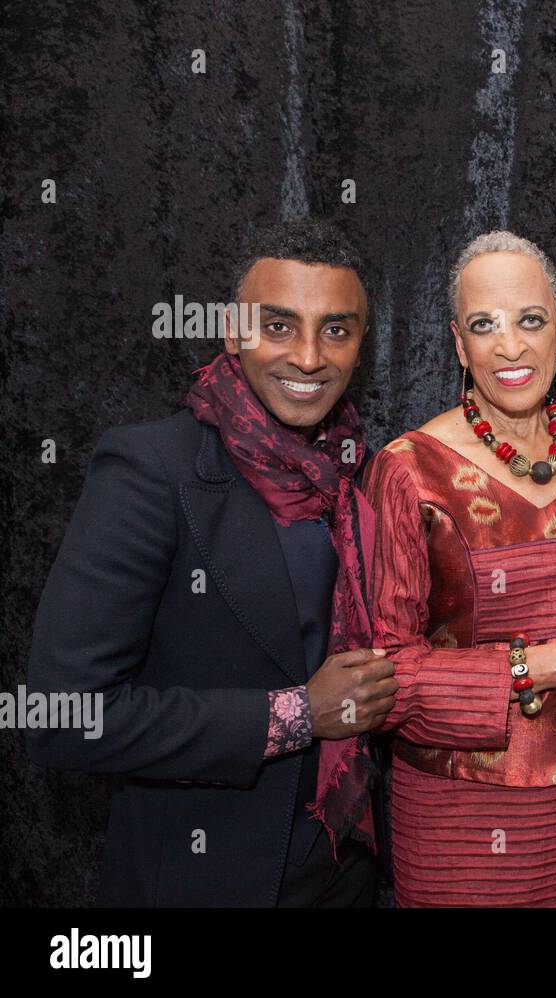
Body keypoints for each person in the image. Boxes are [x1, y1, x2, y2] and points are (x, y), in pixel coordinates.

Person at [24, 218, 396, 906]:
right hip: (208, 880)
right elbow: (63, 717)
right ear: (232, 331)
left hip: (345, 871)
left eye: (336, 331)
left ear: (360, 344)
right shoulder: (151, 470)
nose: (310, 357)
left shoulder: (359, 474)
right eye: (278, 327)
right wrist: (296, 715)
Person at [363, 230, 556, 907]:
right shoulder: (407, 470)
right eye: (485, 325)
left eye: (531, 320)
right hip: (465, 818)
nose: (511, 346)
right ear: (459, 343)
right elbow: (384, 679)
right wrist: (552, 664)